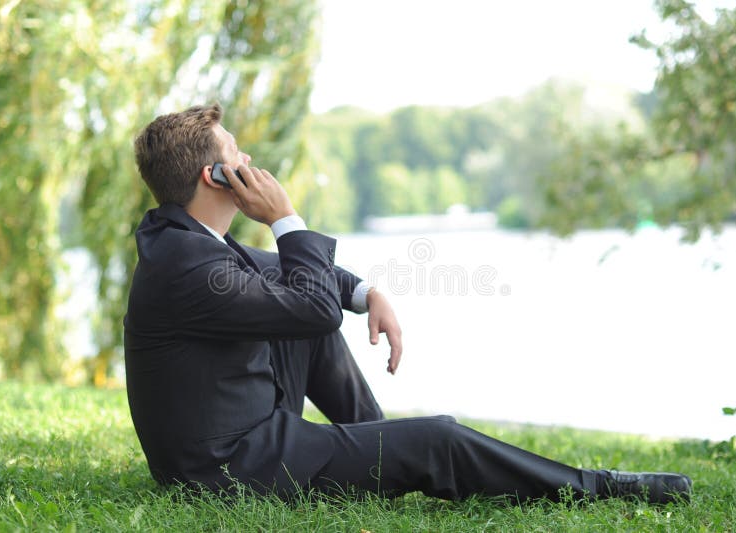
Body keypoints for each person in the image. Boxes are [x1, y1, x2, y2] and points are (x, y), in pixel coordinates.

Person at [124, 103, 691, 504]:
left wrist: (368, 293)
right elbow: (311, 302)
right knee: (438, 435)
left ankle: (374, 450)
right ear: (217, 175)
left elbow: (285, 277)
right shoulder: (189, 263)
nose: (250, 158)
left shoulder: (184, 241)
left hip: (239, 441)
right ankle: (597, 487)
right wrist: (283, 216)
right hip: (229, 469)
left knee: (312, 319)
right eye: (237, 154)